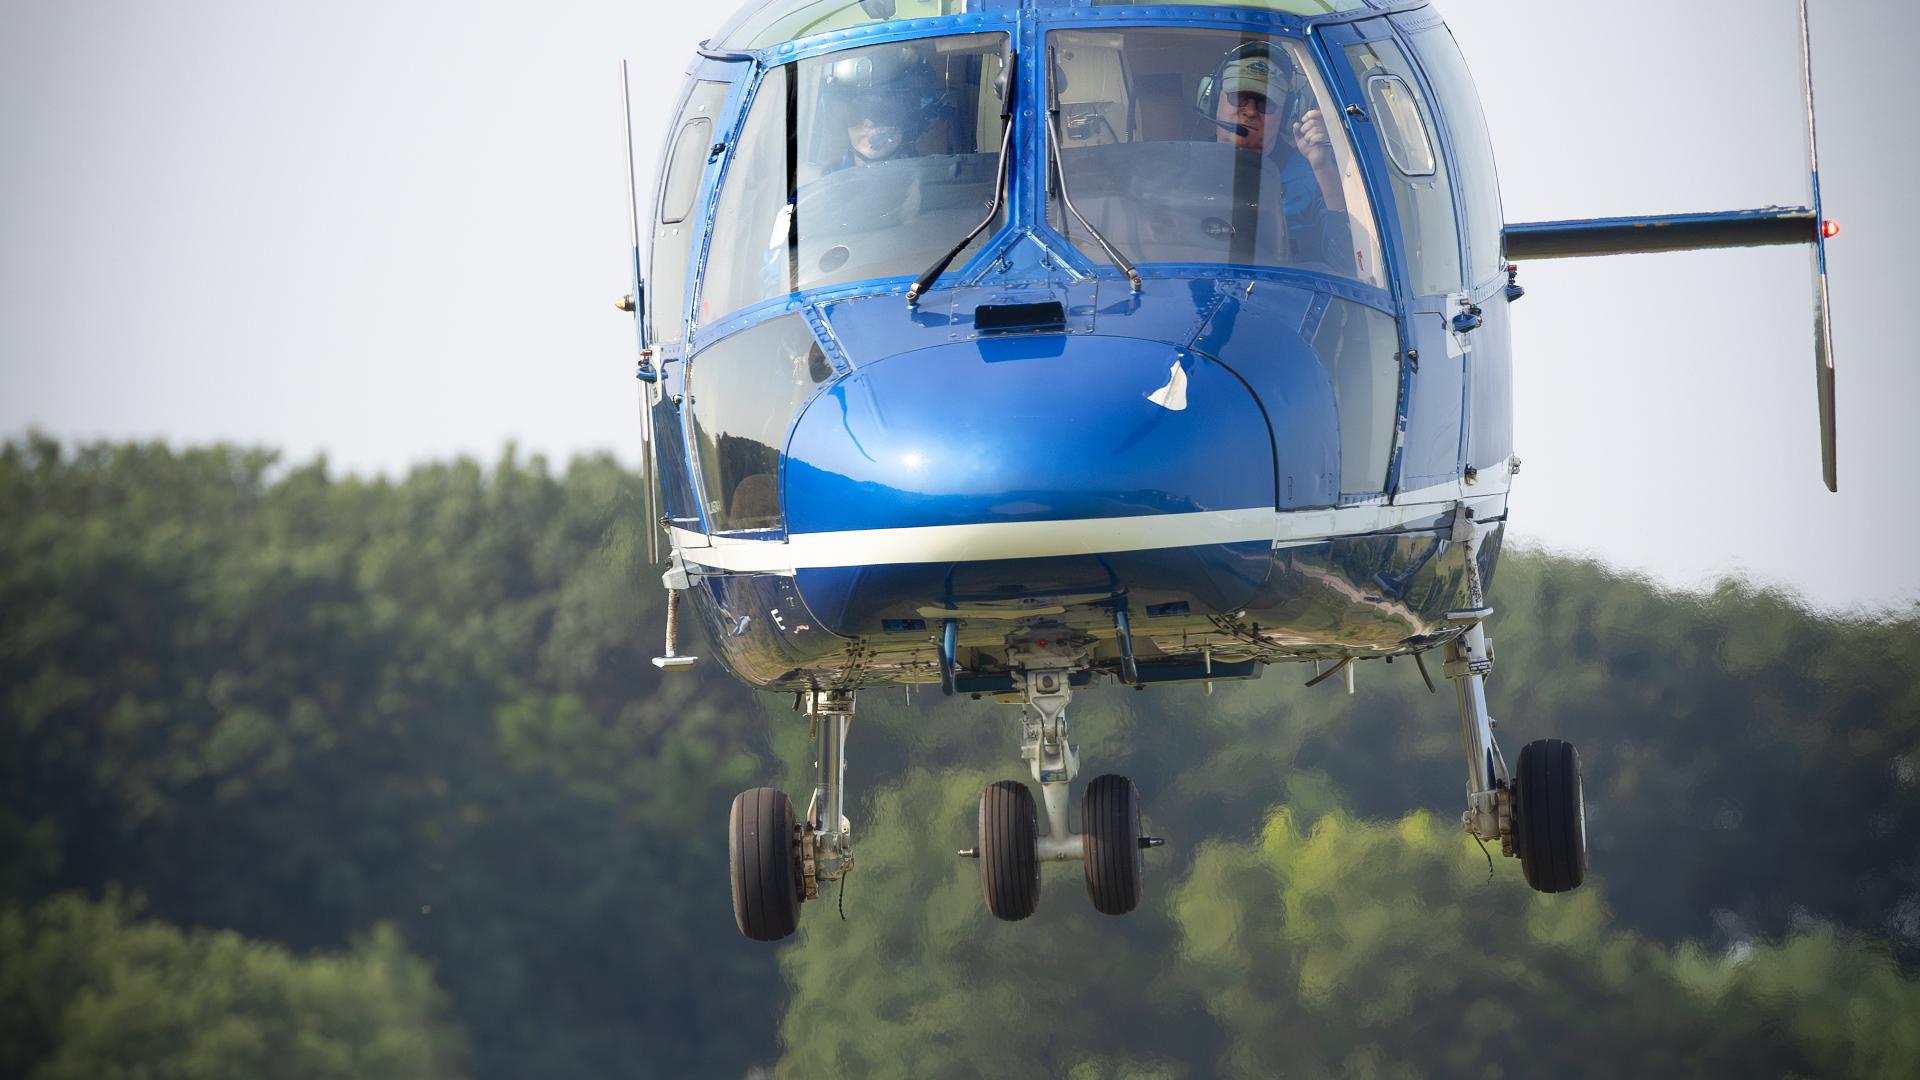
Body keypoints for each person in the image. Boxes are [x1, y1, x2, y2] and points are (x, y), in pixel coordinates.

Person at [1211, 48, 1353, 271]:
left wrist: (1324, 169)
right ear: (1213, 99)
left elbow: (1348, 264)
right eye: (1238, 96)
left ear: (1286, 115)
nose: (1249, 112)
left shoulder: (1310, 174)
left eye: (1265, 103)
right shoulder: (1181, 168)